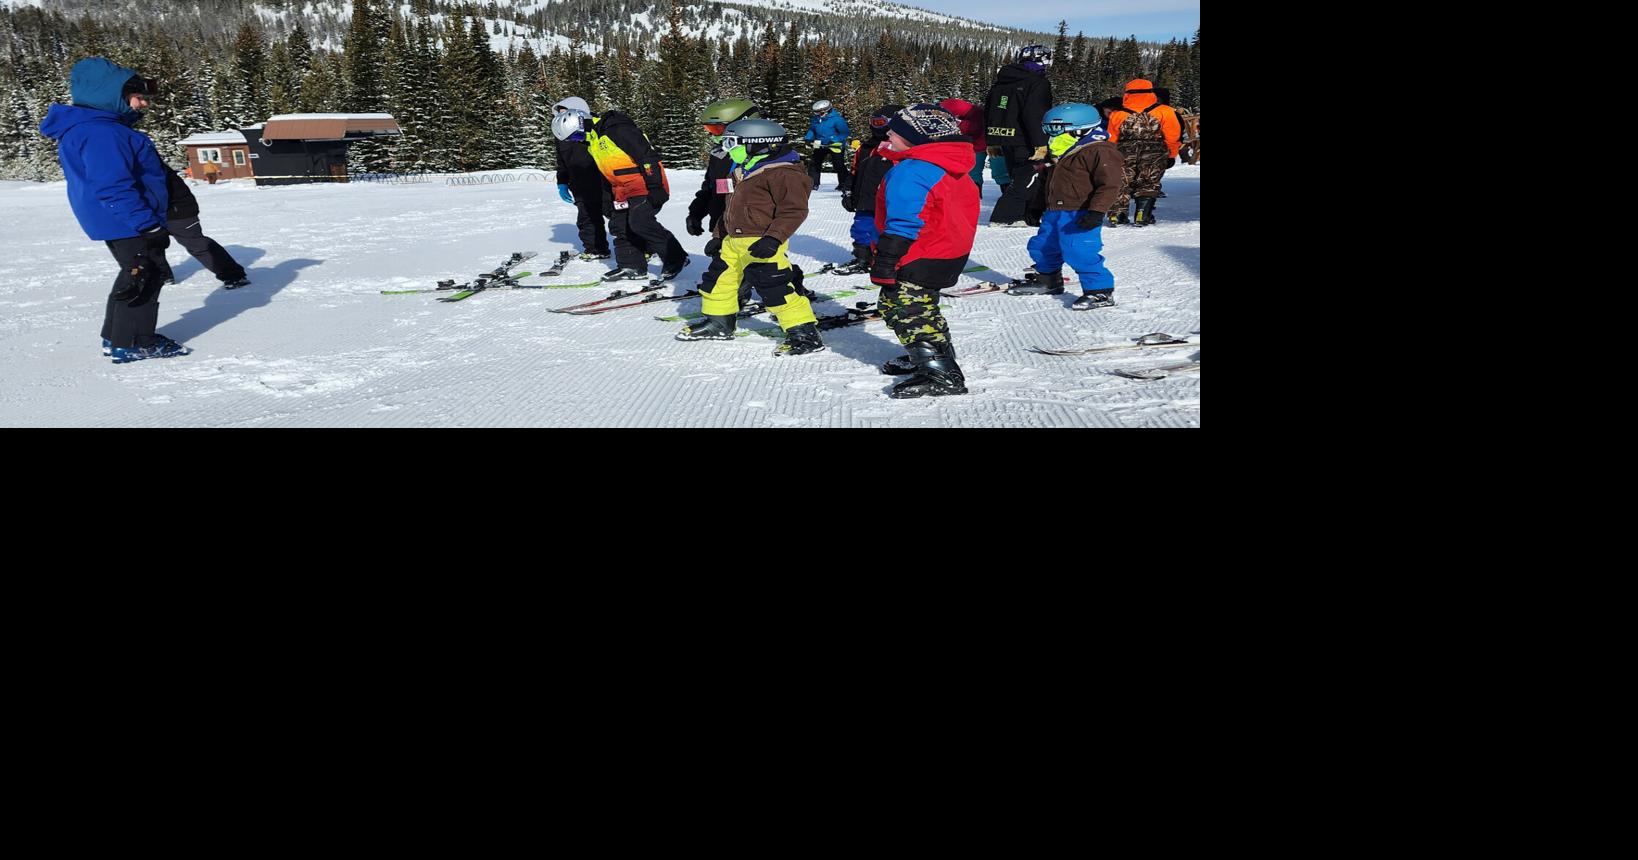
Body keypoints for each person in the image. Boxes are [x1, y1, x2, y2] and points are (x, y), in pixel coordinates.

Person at [38, 57, 189, 364]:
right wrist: (148, 224)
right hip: (127, 219)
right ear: (112, 94)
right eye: (138, 97)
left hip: (116, 218)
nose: (143, 104)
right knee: (147, 274)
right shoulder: (102, 133)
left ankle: (115, 336)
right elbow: (112, 186)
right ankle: (135, 342)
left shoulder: (93, 128)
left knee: (134, 272)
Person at [675, 118, 825, 357]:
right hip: (732, 242)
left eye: (732, 142)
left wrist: (773, 239)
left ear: (761, 144)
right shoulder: (743, 169)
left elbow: (794, 211)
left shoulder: (784, 173)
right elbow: (730, 209)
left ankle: (804, 333)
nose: (727, 148)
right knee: (718, 282)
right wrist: (718, 235)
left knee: (775, 288)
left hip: (762, 242)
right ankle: (719, 323)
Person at [869, 105, 980, 398]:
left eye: (897, 130)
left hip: (917, 252)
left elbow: (905, 220)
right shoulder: (950, 164)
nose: (888, 133)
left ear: (917, 137)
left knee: (902, 308)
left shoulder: (913, 171)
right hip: (946, 250)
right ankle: (932, 355)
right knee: (923, 305)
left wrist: (886, 259)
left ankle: (941, 374)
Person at [1006, 103, 1124, 310]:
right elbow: (1045, 182)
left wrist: (1096, 212)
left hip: (1081, 211)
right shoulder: (1060, 151)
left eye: (1056, 130)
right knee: (1042, 246)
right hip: (1054, 211)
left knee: (1079, 250)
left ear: (1081, 128)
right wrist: (1035, 207)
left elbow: (1109, 185)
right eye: (1048, 129)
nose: (1051, 135)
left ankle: (1100, 291)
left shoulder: (1100, 151)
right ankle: (1048, 280)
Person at [552, 104, 688, 282]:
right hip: (621, 188)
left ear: (581, 123)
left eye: (577, 135)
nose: (578, 140)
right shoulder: (593, 140)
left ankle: (676, 257)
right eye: (573, 139)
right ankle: (631, 266)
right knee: (619, 225)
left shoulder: (617, 129)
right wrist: (608, 198)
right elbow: (606, 171)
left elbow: (646, 156)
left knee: (640, 222)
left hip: (643, 183)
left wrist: (655, 186)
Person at [686, 98, 763, 306]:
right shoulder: (720, 154)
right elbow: (710, 186)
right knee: (735, 261)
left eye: (717, 129)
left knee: (757, 262)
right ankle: (732, 290)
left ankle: (737, 294)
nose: (712, 135)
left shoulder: (761, 155)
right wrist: (696, 212)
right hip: (722, 221)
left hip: (750, 226)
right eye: (709, 128)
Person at [982, 45, 1054, 227]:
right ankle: (1005, 216)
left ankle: (1027, 216)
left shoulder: (1003, 81)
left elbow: (991, 112)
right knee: (1029, 178)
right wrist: (1040, 143)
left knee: (1020, 177)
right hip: (1025, 139)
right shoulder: (1037, 82)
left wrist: (992, 140)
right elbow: (1035, 113)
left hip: (1004, 138)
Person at [831, 104, 901, 276]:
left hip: (889, 199)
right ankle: (863, 258)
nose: (875, 127)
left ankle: (892, 259)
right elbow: (854, 171)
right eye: (873, 122)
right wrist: (848, 191)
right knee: (862, 228)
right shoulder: (865, 147)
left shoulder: (900, 147)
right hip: (865, 199)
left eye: (880, 123)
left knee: (892, 230)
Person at [155, 166, 250, 289]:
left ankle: (234, 276)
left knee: (197, 244)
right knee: (147, 247)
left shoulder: (148, 162)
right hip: (146, 213)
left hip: (177, 211)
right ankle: (161, 276)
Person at [1105, 79, 1182, 227]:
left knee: (1121, 181)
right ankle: (1142, 214)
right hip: (1154, 151)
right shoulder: (1164, 111)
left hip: (1124, 151)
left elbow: (1111, 138)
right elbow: (1173, 136)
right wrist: (1172, 155)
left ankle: (1117, 214)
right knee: (1148, 182)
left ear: (1127, 94)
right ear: (1151, 92)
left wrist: (1110, 156)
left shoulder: (1118, 114)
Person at [551, 96, 611, 261]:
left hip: (602, 179)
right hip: (579, 183)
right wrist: (562, 182)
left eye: (565, 112)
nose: (562, 116)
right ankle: (596, 249)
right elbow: (561, 161)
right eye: (559, 113)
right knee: (586, 218)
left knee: (616, 216)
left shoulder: (596, 126)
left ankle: (642, 247)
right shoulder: (561, 133)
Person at [937, 98, 987, 193]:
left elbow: (973, 129)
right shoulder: (973, 111)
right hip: (978, 144)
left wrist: (956, 125)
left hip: (977, 145)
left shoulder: (973, 116)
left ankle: (972, 193)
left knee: (973, 173)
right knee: (973, 173)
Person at [802, 100, 851, 191]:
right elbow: (812, 130)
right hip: (820, 144)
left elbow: (844, 133)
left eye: (819, 112)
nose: (817, 114)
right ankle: (813, 184)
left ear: (826, 110)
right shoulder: (816, 119)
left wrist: (834, 140)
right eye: (815, 112)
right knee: (814, 163)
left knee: (838, 164)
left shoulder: (837, 119)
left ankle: (844, 183)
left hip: (835, 145)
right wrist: (808, 138)